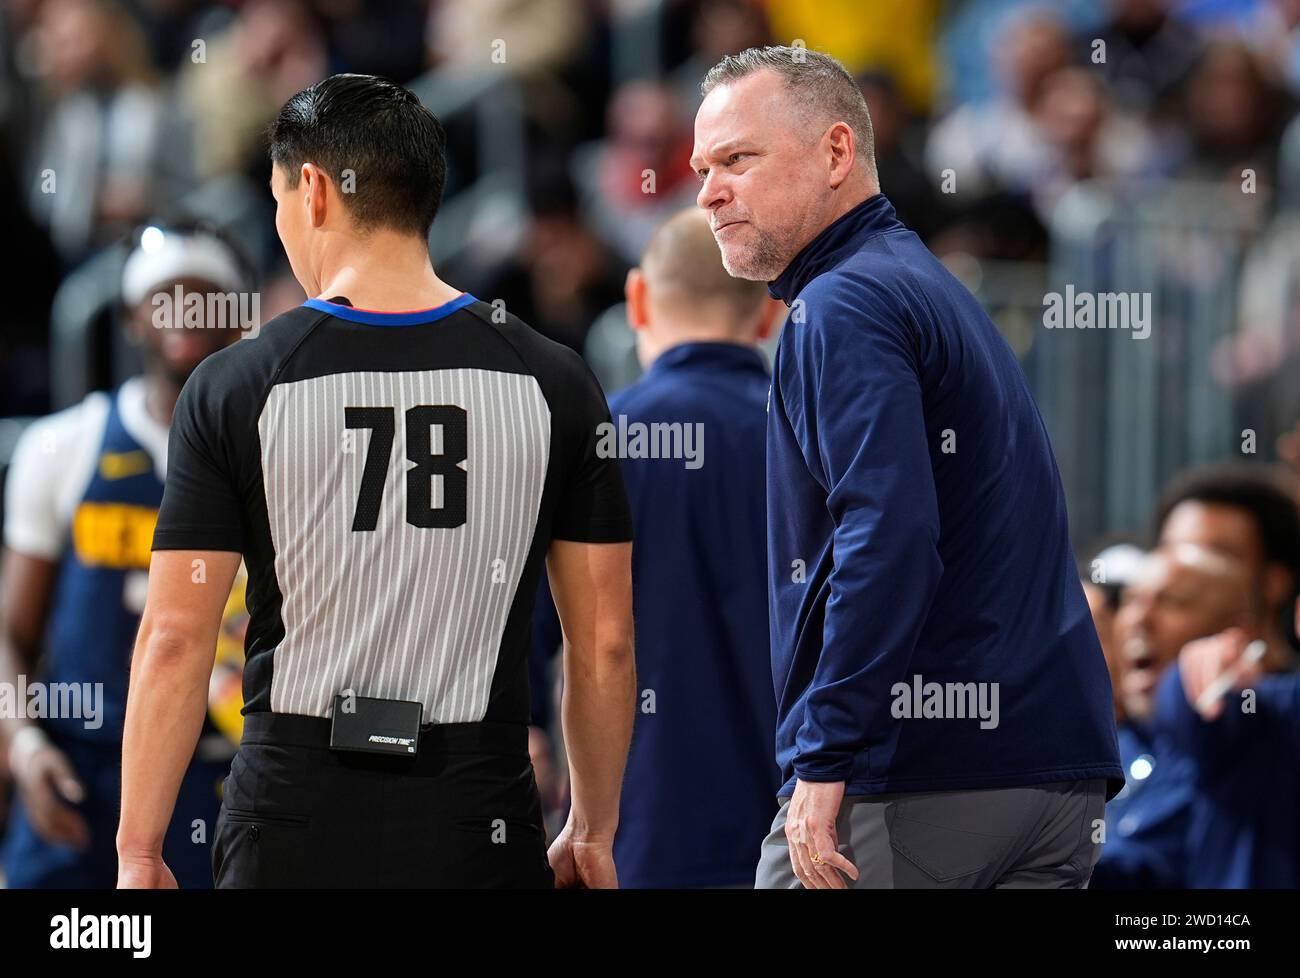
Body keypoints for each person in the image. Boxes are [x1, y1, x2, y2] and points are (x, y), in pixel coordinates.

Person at [113, 74, 636, 889]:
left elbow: (176, 639)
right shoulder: (553, 379)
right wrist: (592, 827)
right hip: (477, 807)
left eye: (279, 202)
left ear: (314, 191)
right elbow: (603, 643)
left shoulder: (236, 384)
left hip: (293, 810)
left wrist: (139, 849)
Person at [691, 45, 1123, 889]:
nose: (709, 192)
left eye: (737, 159)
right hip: (1053, 772)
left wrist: (827, 752)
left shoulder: (841, 303)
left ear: (837, 152)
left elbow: (888, 534)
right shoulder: (922, 284)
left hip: (918, 772)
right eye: (703, 169)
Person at [0, 221, 248, 887]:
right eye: (166, 297)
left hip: (220, 778)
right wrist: (23, 747)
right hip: (81, 771)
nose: (186, 312)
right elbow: (9, 634)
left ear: (237, 319)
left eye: (205, 295)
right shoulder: (64, 445)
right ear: (134, 317)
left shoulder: (274, 458)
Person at [577, 207, 782, 887]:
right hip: (801, 833)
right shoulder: (816, 439)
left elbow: (537, 641)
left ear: (637, 299)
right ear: (770, 313)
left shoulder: (599, 439)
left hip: (636, 835)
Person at [1150, 464, 1300, 887]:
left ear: (1274, 582)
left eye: (1211, 555)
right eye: (1168, 552)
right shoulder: (1129, 723)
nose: (1179, 570)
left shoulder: (1272, 709)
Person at [1091, 544, 1253, 888]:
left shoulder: (1238, 752)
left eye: (1172, 602)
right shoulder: (1112, 746)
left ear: (1233, 632)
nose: (1139, 618)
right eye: (1131, 600)